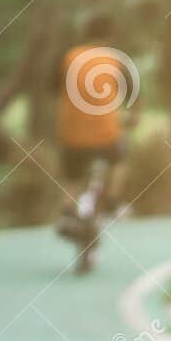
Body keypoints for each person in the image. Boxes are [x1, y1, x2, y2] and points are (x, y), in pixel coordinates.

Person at [53, 14, 133, 224]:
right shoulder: (114, 60)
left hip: (71, 135)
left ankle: (67, 210)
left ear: (84, 34)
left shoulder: (68, 57)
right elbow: (134, 97)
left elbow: (52, 89)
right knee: (122, 158)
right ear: (109, 36)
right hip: (106, 136)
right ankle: (113, 202)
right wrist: (134, 118)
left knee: (72, 176)